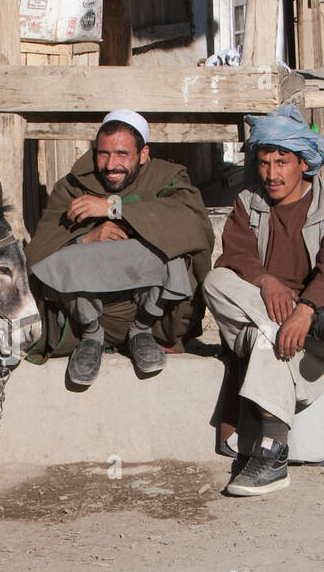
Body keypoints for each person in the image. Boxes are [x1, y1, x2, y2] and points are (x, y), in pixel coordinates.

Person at [203, 105, 324, 496]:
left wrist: (306, 310)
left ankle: (271, 456)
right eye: (264, 162)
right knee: (216, 280)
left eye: (282, 162)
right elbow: (234, 255)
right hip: (271, 315)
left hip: (321, 325)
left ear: (303, 162)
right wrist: (267, 281)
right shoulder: (249, 202)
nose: (271, 174)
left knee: (266, 340)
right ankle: (273, 332)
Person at [25, 109, 215, 386]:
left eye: (122, 154)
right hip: (84, 314)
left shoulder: (166, 178)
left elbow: (193, 224)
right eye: (103, 153)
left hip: (150, 310)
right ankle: (92, 336)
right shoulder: (72, 187)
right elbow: (39, 252)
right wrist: (86, 239)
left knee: (173, 248)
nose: (111, 164)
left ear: (144, 153)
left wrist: (115, 208)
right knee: (63, 259)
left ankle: (141, 330)